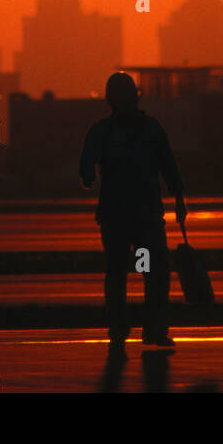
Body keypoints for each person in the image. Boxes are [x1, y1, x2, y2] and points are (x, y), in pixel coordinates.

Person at [79, 71, 186, 355]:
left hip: (117, 217)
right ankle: (154, 330)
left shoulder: (102, 131)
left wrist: (90, 175)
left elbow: (86, 170)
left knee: (117, 274)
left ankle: (119, 330)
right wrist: (179, 199)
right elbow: (170, 167)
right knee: (153, 272)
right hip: (145, 217)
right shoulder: (151, 129)